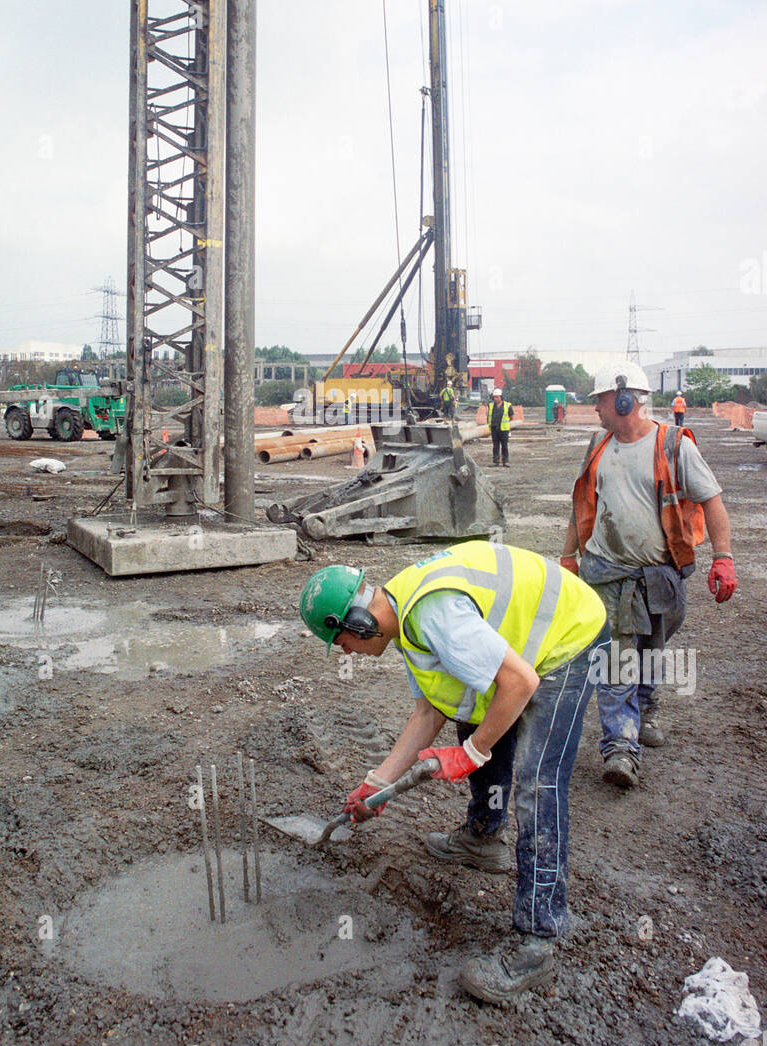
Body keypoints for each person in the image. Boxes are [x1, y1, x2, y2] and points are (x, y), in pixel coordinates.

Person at [299, 542, 609, 1002]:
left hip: (570, 638)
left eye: (342, 643)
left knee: (537, 783)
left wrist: (472, 752)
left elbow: (521, 682)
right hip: (525, 649)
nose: (348, 653)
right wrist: (376, 785)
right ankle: (483, 838)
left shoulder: (434, 616)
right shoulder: (404, 616)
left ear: (357, 622)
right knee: (471, 703)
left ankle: (537, 941)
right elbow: (431, 711)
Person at [559, 363, 736, 789]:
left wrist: (723, 557)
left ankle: (645, 705)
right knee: (615, 660)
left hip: (659, 575)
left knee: (651, 650)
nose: (596, 409)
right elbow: (581, 506)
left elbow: (711, 500)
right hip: (606, 572)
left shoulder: (673, 445)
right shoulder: (598, 448)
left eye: (599, 400)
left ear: (623, 399)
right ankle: (620, 747)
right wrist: (568, 557)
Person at [488, 387, 514, 467]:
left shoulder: (507, 405)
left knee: (504, 446)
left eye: (497, 397)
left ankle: (505, 461)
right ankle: (496, 461)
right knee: (495, 446)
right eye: (494, 397)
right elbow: (489, 416)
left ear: (501, 397)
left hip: (504, 429)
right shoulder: (491, 405)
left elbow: (511, 416)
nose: (495, 399)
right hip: (494, 428)